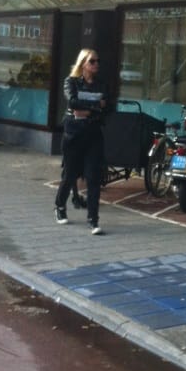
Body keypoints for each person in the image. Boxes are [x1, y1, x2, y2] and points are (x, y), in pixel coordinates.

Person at [54, 49, 110, 234]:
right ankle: (60, 205)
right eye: (92, 61)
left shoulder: (101, 83)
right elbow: (72, 104)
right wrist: (94, 106)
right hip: (74, 134)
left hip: (94, 134)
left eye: (97, 61)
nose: (96, 64)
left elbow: (105, 107)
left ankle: (93, 220)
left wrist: (87, 109)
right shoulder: (71, 82)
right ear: (83, 63)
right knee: (70, 175)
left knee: (94, 178)